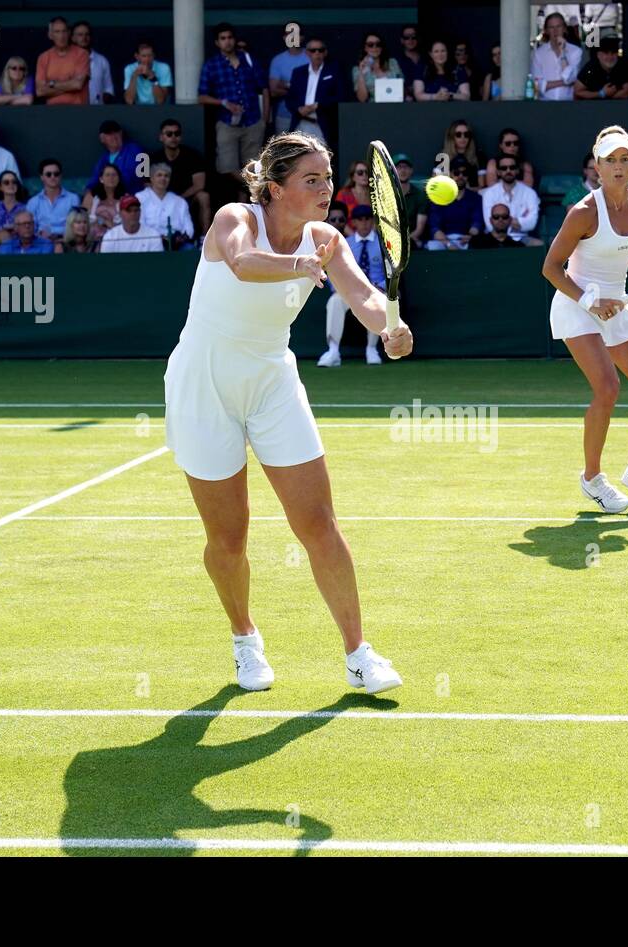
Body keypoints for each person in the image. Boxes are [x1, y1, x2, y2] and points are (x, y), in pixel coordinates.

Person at [162, 131, 411, 693]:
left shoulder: (326, 238)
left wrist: (389, 327)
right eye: (312, 180)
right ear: (274, 189)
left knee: (318, 523)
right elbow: (245, 264)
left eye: (328, 178)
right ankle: (245, 638)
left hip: (273, 381)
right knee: (229, 537)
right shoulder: (235, 218)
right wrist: (301, 264)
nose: (327, 189)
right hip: (203, 383)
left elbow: (366, 296)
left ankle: (358, 654)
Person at [542, 124, 628, 513]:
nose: (617, 167)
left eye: (624, 160)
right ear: (596, 168)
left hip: (618, 305)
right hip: (576, 305)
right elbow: (551, 267)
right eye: (609, 161)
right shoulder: (583, 212)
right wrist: (589, 301)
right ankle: (592, 479)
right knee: (608, 389)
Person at [318, 204, 387, 366]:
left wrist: (381, 287)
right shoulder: (345, 243)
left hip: (376, 290)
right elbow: (333, 272)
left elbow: (392, 273)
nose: (364, 223)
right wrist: (343, 288)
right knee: (334, 300)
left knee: (379, 299)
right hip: (350, 291)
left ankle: (371, 349)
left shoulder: (383, 244)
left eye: (367, 219)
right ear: (353, 222)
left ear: (373, 222)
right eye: (359, 220)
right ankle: (333, 351)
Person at [157, 119, 210, 235]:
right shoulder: (152, 157)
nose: (173, 137)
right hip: (162, 198)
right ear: (161, 137)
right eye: (169, 134)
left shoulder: (193, 155)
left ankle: (204, 239)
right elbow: (146, 184)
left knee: (204, 196)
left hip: (187, 197)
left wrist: (179, 198)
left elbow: (199, 185)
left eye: (177, 133)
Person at [283, 37, 340, 145]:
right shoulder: (298, 72)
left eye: (320, 50)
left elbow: (339, 97)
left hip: (322, 123)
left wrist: (317, 105)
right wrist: (298, 109)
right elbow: (290, 98)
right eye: (313, 50)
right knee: (298, 157)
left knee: (322, 157)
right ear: (307, 53)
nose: (317, 53)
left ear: (325, 52)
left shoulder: (334, 71)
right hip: (301, 122)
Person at [425, 157, 484, 249]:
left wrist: (470, 236)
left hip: (466, 240)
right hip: (443, 240)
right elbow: (435, 228)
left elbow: (477, 223)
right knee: (433, 247)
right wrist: (449, 244)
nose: (460, 176)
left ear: (468, 176)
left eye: (464, 173)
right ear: (450, 175)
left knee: (477, 244)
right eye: (456, 173)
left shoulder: (476, 198)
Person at [481, 154, 539, 241]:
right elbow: (489, 224)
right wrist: (519, 221)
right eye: (504, 168)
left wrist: (503, 222)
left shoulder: (530, 193)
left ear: (517, 170)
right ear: (498, 172)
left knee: (538, 244)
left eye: (512, 167)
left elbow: (531, 223)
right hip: (495, 238)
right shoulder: (489, 193)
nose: (508, 170)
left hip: (521, 237)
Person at [137, 163, 194, 248]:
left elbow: (188, 228)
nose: (163, 178)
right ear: (151, 178)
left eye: (166, 176)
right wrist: (159, 238)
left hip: (176, 243)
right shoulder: (140, 197)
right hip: (149, 242)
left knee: (190, 249)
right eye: (159, 175)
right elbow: (139, 224)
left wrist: (181, 238)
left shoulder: (180, 201)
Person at [36, 17, 90, 105]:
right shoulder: (43, 57)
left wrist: (51, 84)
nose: (61, 36)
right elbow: (40, 91)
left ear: (69, 33)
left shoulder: (82, 54)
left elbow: (77, 84)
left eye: (64, 31)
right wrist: (69, 86)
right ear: (50, 35)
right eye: (57, 32)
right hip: (52, 112)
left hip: (78, 111)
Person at [531, 12, 583, 101]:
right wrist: (565, 83)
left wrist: (562, 53)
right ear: (546, 31)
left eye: (558, 26)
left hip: (568, 104)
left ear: (564, 29)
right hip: (545, 103)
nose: (555, 31)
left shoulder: (576, 51)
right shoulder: (538, 53)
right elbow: (536, 85)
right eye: (551, 27)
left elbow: (569, 78)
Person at [87, 120, 146, 195]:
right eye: (109, 133)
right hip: (111, 197)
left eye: (116, 132)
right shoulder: (104, 158)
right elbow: (95, 178)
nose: (114, 136)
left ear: (121, 133)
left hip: (134, 197)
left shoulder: (135, 149)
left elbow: (131, 178)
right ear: (102, 138)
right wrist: (89, 191)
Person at [26, 158, 80, 239]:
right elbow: (30, 228)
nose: (53, 177)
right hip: (42, 242)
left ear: (61, 176)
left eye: (56, 174)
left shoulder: (73, 199)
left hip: (66, 240)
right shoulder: (33, 202)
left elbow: (77, 225)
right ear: (41, 177)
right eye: (48, 174)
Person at [268, 25, 308, 131]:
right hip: (284, 116)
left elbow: (315, 87)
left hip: (309, 115)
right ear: (284, 38)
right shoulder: (277, 60)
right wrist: (300, 88)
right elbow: (273, 91)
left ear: (302, 37)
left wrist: (285, 84)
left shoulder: (311, 56)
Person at [573, 35, 628, 100]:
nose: (610, 57)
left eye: (613, 53)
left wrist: (606, 96)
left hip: (619, 106)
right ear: (598, 55)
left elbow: (626, 92)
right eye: (606, 53)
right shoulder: (590, 68)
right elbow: (577, 91)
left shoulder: (625, 65)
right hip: (595, 106)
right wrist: (601, 94)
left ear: (617, 54)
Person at [352, 31, 402, 103]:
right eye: (370, 45)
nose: (374, 47)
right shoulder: (357, 69)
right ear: (365, 48)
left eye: (378, 44)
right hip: (374, 108)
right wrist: (361, 74)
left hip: (396, 105)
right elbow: (362, 99)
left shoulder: (392, 63)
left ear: (381, 47)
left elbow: (402, 86)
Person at [72, 20, 115, 104]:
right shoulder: (66, 61)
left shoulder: (102, 60)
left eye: (87, 34)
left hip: (98, 112)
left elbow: (108, 89)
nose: (84, 38)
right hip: (73, 111)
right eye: (80, 35)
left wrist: (99, 105)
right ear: (73, 38)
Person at [393, 153, 430, 247]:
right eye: (399, 167)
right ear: (392, 171)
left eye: (406, 167)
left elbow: (419, 229)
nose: (403, 170)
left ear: (411, 170)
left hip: (412, 241)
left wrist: (406, 243)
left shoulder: (420, 195)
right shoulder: (386, 195)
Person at [82, 164, 125, 239]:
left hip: (118, 240)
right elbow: (82, 219)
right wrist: (104, 221)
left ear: (119, 178)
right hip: (92, 240)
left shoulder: (125, 198)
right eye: (107, 175)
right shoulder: (90, 197)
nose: (111, 178)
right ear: (101, 179)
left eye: (114, 175)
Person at [0, 170, 28, 243]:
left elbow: (26, 230)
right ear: (0, 187)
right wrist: (3, 230)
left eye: (14, 182)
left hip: (18, 243)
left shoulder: (24, 208)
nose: (11, 185)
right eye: (6, 182)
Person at [398, 24, 423, 88]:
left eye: (414, 37)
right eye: (406, 37)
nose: (410, 40)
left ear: (418, 39)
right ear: (402, 40)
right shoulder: (396, 61)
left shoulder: (427, 59)